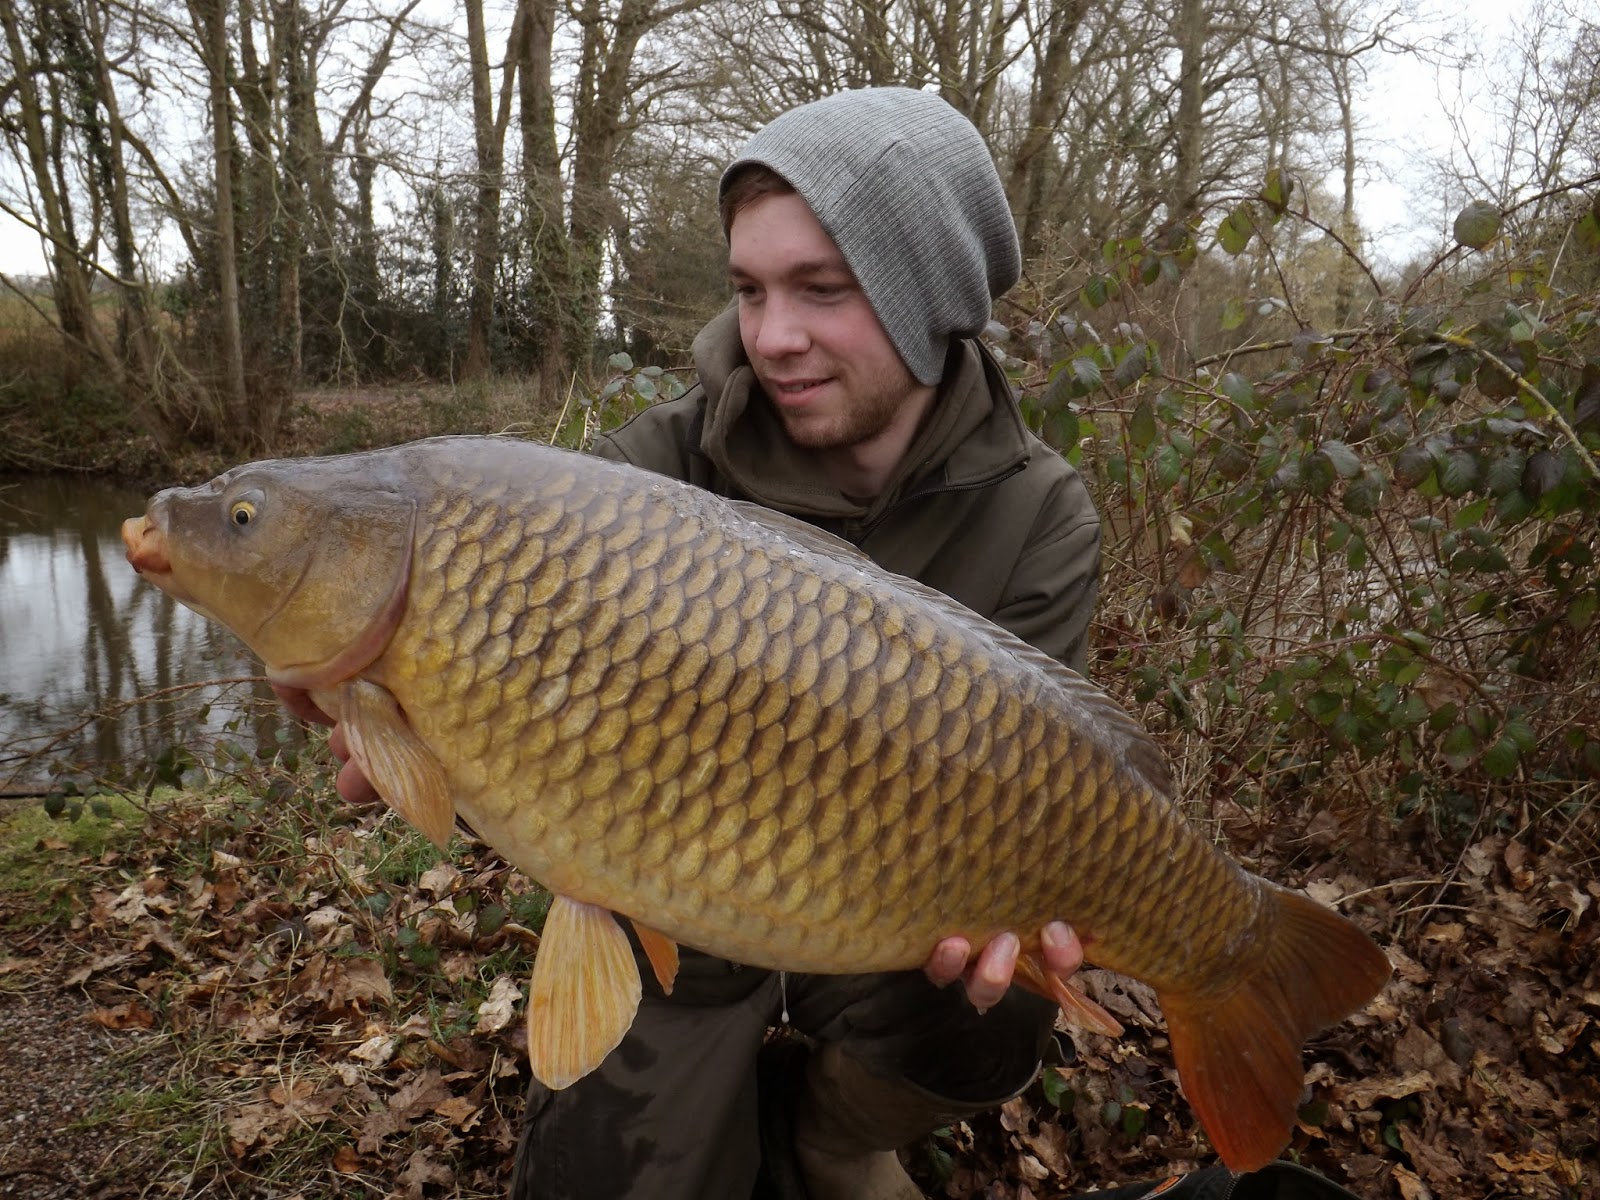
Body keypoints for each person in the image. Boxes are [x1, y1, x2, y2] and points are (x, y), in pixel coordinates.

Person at [278, 87, 1364, 1200]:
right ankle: (707, 1096)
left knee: (998, 1015)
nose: (772, 335)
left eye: (821, 290)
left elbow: (1062, 769)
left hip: (894, 904)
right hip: (674, 921)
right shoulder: (637, 475)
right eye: (749, 289)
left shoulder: (1038, 510)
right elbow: (502, 701)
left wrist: (1049, 922)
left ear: (927, 299)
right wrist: (411, 711)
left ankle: (834, 1131)